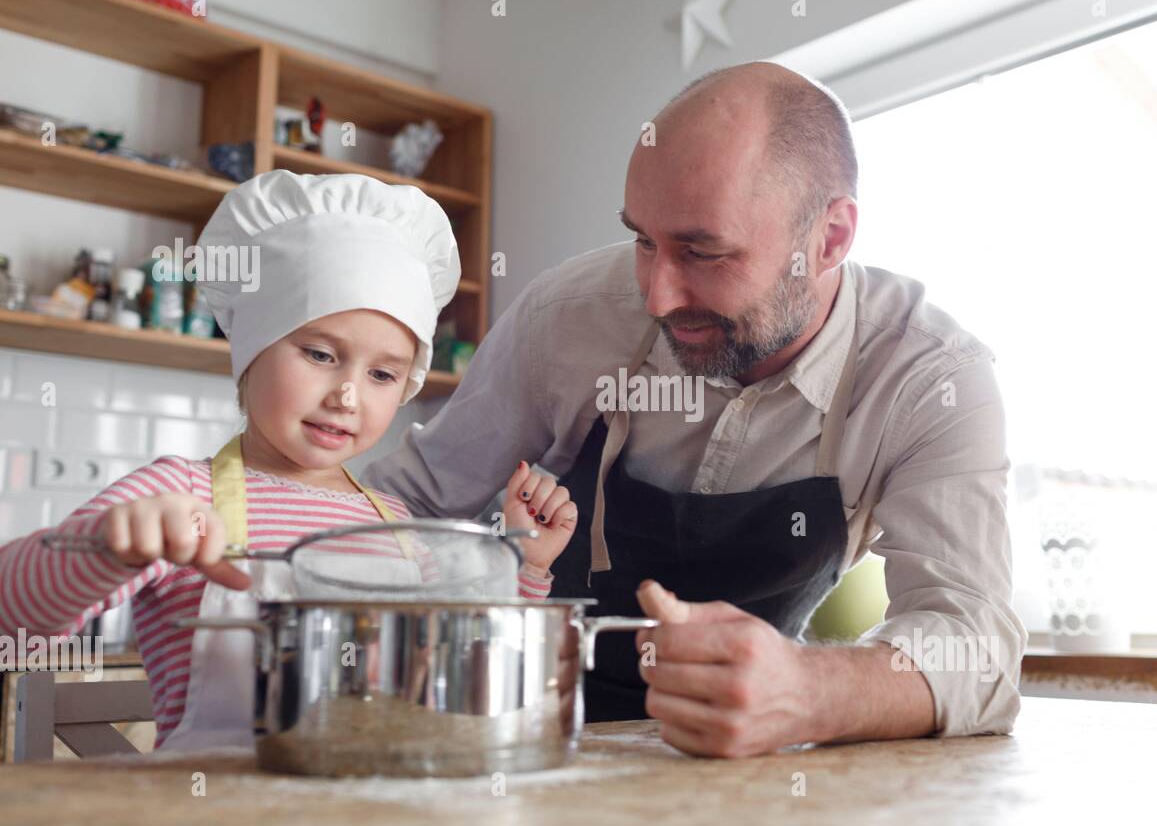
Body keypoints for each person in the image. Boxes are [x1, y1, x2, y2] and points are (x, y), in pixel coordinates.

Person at [363, 62, 1028, 758]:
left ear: (830, 239)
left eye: (702, 251)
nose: (656, 294)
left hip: (747, 769)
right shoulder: (566, 319)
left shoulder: (929, 378)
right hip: (524, 739)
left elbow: (976, 642)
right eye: (643, 241)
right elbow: (409, 507)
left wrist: (806, 691)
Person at [0, 170, 577, 751]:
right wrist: (105, 547)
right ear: (251, 351)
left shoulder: (395, 522)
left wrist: (525, 564)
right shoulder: (178, 493)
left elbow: (463, 668)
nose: (347, 396)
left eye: (382, 374)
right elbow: (11, 615)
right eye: (321, 354)